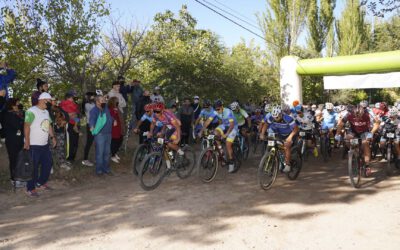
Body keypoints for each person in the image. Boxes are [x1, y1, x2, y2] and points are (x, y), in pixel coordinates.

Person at [24, 92, 57, 197]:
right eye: (49, 100)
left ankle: (40, 182)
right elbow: (26, 126)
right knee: (33, 168)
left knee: (48, 164)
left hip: (44, 144)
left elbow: (49, 125)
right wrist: (27, 141)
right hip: (34, 145)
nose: (51, 102)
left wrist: (52, 137)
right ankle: (30, 188)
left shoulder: (46, 112)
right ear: (43, 100)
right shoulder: (31, 111)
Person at [336, 105, 380, 175]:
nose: (358, 117)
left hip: (364, 131)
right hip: (353, 131)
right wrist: (337, 134)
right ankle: (355, 151)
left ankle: (367, 166)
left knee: (365, 143)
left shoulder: (368, 114)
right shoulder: (349, 114)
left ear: (363, 113)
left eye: (359, 115)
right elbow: (341, 124)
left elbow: (377, 123)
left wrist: (371, 133)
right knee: (347, 139)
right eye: (356, 115)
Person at [199, 100, 238, 173]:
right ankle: (221, 151)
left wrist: (226, 134)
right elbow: (208, 122)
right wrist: (201, 131)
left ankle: (231, 163)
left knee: (228, 144)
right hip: (224, 125)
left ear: (222, 107)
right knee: (215, 133)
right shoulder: (215, 112)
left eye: (218, 109)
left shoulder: (228, 112)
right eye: (216, 109)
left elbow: (232, 125)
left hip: (233, 127)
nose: (217, 111)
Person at [260, 105, 299, 172]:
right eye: (274, 117)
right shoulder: (271, 117)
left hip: (289, 134)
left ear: (281, 114)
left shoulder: (288, 118)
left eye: (277, 117)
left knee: (286, 146)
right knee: (273, 144)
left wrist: (290, 137)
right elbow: (266, 124)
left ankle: (288, 165)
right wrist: (262, 133)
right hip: (278, 134)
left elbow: (296, 128)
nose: (275, 118)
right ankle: (273, 159)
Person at [2, 98, 24, 187]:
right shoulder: (7, 115)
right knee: (14, 159)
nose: (18, 106)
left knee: (20, 159)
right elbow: (18, 125)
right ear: (12, 105)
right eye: (16, 104)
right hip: (11, 141)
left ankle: (20, 178)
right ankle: (14, 179)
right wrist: (22, 120)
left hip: (19, 140)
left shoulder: (16, 114)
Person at [89, 95, 113, 175]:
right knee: (100, 153)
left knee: (107, 153)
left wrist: (113, 120)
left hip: (108, 133)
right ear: (97, 102)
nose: (104, 101)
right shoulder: (94, 110)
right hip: (100, 135)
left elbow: (109, 117)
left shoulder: (106, 108)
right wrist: (92, 126)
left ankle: (106, 169)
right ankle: (99, 170)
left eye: (104, 100)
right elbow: (91, 119)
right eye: (102, 100)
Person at [50, 98, 71, 170]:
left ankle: (62, 162)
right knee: (52, 148)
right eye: (53, 100)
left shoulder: (60, 109)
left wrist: (64, 122)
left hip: (60, 131)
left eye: (56, 100)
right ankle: (51, 165)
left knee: (61, 147)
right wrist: (56, 122)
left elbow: (67, 117)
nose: (55, 102)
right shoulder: (47, 110)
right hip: (51, 132)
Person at [60, 90, 80, 163]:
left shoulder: (74, 104)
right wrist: (73, 114)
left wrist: (74, 115)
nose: (75, 97)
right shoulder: (64, 103)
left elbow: (76, 115)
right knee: (70, 142)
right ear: (69, 96)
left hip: (75, 124)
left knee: (75, 142)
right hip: (68, 124)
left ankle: (72, 158)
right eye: (73, 96)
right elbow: (68, 115)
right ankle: (68, 158)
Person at [82, 92, 96, 167]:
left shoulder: (93, 103)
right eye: (93, 96)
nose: (94, 97)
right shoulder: (87, 105)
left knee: (95, 141)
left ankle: (96, 157)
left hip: (96, 124)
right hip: (90, 125)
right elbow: (95, 109)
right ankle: (85, 159)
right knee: (89, 142)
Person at [108, 96, 123, 163]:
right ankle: (112, 155)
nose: (118, 102)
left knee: (120, 139)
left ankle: (115, 152)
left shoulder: (116, 108)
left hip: (119, 127)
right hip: (114, 128)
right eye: (116, 101)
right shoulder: (110, 109)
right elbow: (110, 117)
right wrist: (115, 112)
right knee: (115, 141)